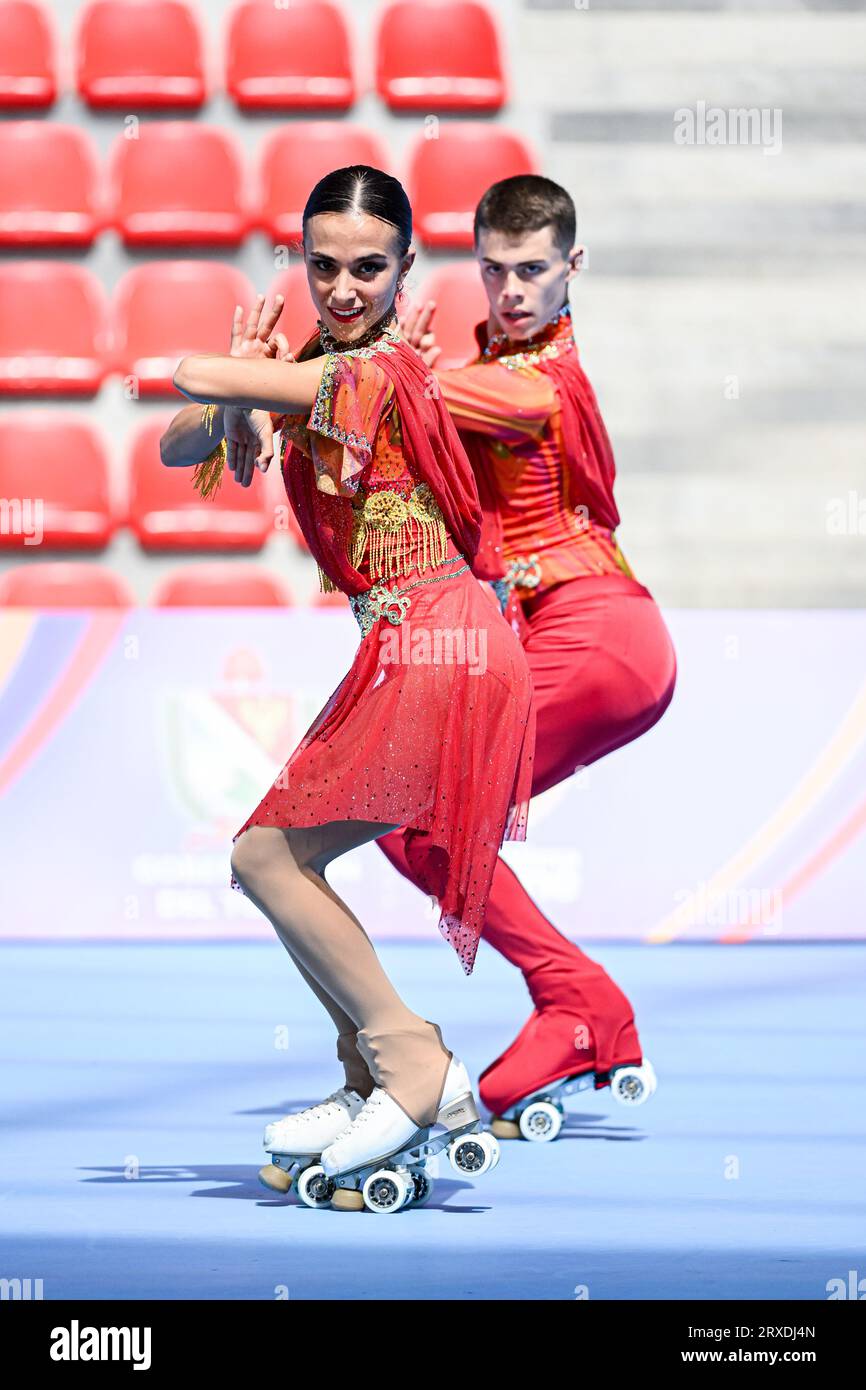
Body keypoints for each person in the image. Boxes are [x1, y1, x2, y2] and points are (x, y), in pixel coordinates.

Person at [160, 166, 535, 1207]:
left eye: (367, 267)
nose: (341, 287)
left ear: (406, 268)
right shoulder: (325, 365)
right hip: (404, 641)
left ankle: (410, 1059)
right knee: (283, 859)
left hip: (440, 641)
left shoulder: (384, 375)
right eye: (321, 265)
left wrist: (216, 371)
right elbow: (178, 442)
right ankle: (366, 1070)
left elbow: (182, 381)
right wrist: (236, 383)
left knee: (264, 854)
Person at [376, 174, 677, 1138]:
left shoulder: (538, 381)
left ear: (570, 269)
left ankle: (580, 1006)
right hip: (557, 636)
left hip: (599, 635)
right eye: (496, 269)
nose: (512, 289)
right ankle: (578, 1009)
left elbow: (400, 400)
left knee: (416, 810)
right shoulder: (484, 365)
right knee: (413, 823)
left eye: (534, 270)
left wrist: (344, 374)